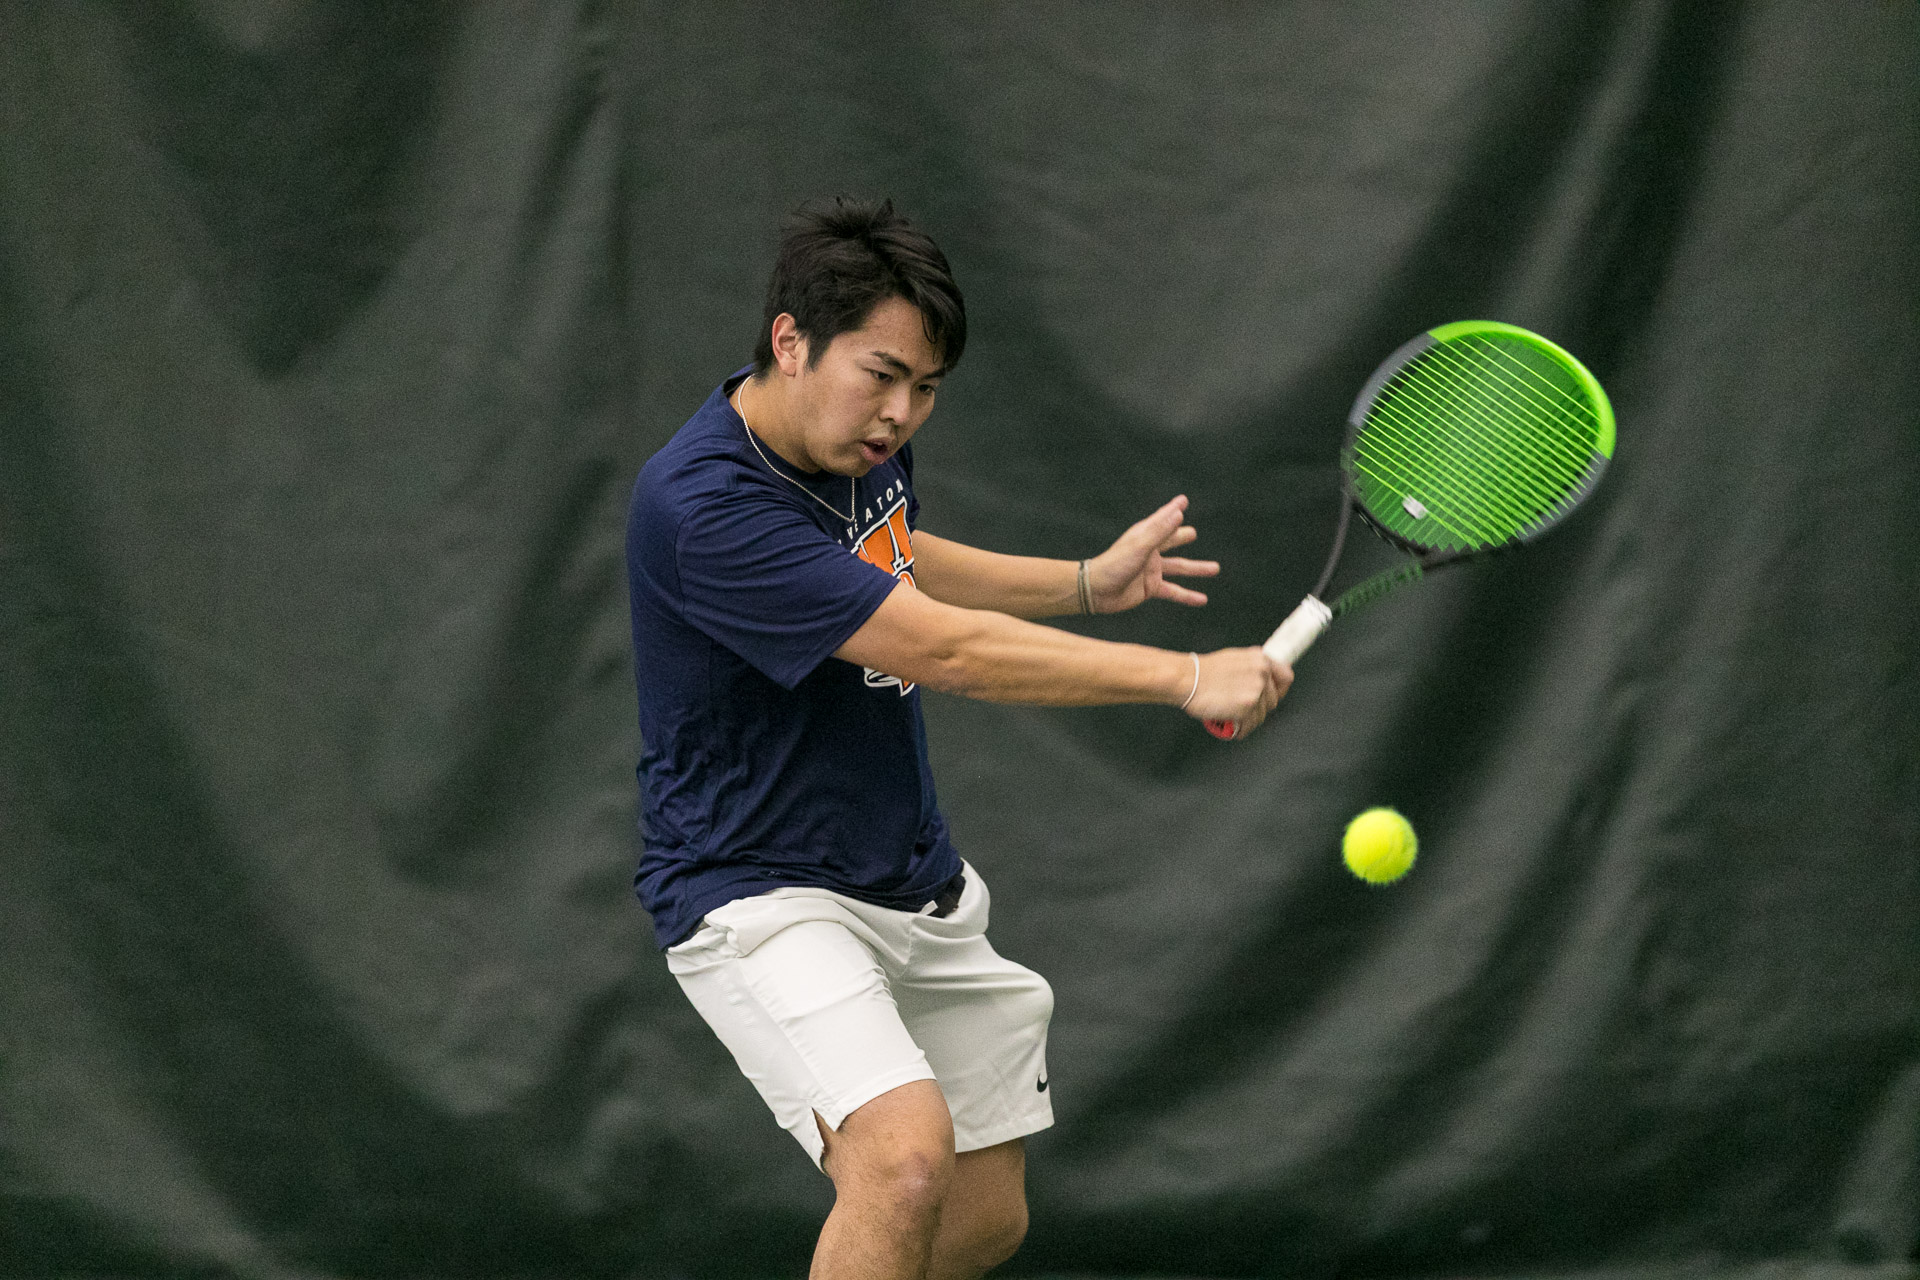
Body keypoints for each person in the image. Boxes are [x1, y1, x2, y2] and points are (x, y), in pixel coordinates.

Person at [625, 196, 1289, 1280]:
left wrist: (1084, 583)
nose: (899, 413)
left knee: (982, 1216)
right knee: (900, 1162)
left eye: (925, 388)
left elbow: (896, 556)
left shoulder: (851, 456)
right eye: (879, 374)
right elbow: (948, 651)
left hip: (907, 875)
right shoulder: (707, 508)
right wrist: (1181, 674)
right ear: (790, 340)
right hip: (755, 890)